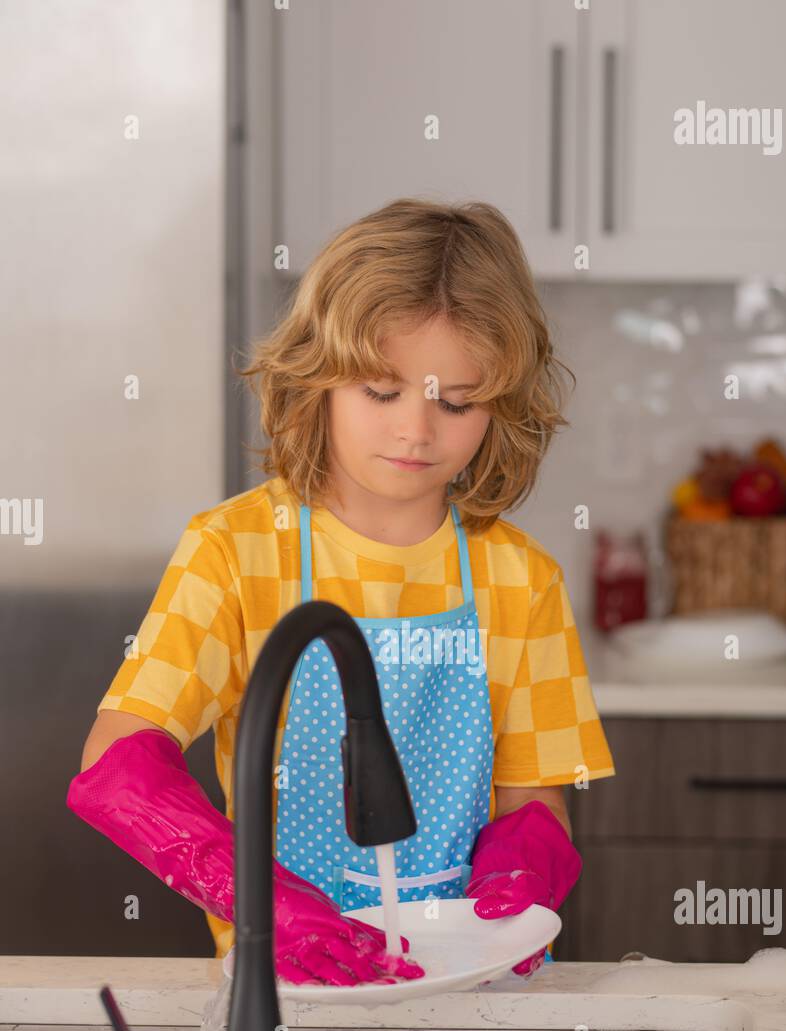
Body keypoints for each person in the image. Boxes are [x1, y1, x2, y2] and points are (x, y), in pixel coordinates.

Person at [67, 198, 615, 985]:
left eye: (456, 402)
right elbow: (118, 762)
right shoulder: (234, 552)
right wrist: (258, 901)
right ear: (316, 379)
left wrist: (521, 873)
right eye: (380, 392)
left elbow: (535, 799)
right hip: (284, 990)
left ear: (504, 409)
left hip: (474, 987)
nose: (416, 432)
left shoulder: (520, 577)